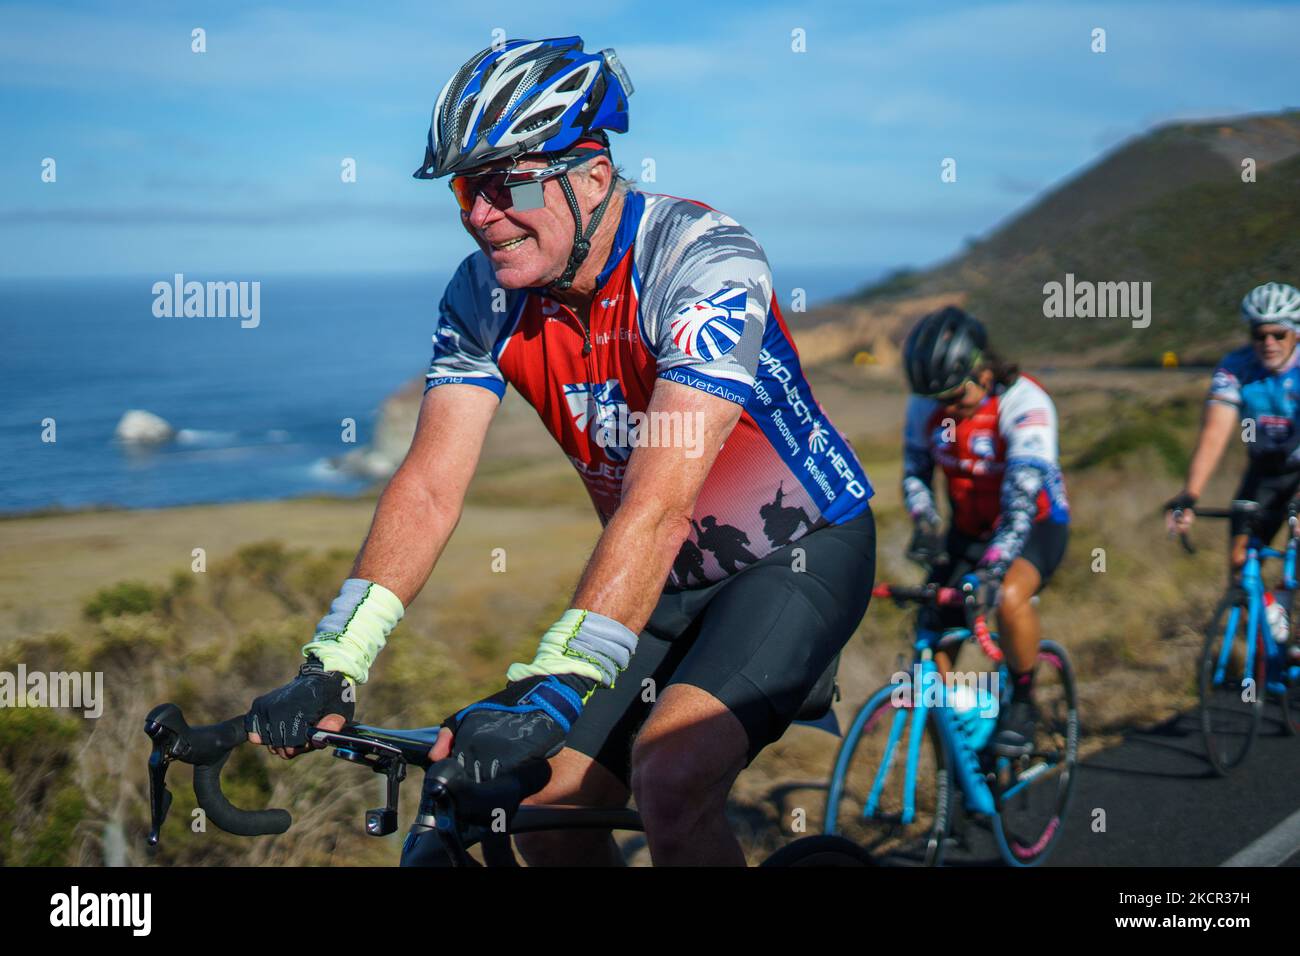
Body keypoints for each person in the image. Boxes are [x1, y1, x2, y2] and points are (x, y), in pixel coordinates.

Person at [244, 36, 876, 866]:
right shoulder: (481, 295)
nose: (479, 214)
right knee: (542, 806)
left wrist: (563, 679)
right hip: (663, 578)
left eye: (506, 184)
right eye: (466, 190)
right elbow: (430, 486)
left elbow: (659, 504)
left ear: (591, 175)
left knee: (671, 776)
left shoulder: (701, 261)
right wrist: (334, 659)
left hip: (795, 555)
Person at [900, 306, 1070, 754]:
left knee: (1010, 596)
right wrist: (924, 523)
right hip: (968, 528)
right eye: (939, 401)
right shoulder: (928, 402)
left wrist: (992, 571)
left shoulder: (1025, 404)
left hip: (1034, 526)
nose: (947, 408)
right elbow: (916, 470)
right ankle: (955, 767)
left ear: (985, 370)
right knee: (931, 642)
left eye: (956, 396)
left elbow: (1019, 505)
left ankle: (1023, 700)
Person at [1165, 281, 1300, 652]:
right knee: (1241, 562)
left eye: (1278, 334)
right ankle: (1265, 624)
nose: (1268, 343)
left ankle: (1287, 603)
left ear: (1295, 333)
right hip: (1263, 471)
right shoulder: (1235, 368)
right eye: (1260, 335)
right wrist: (1190, 495)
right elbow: (1215, 433)